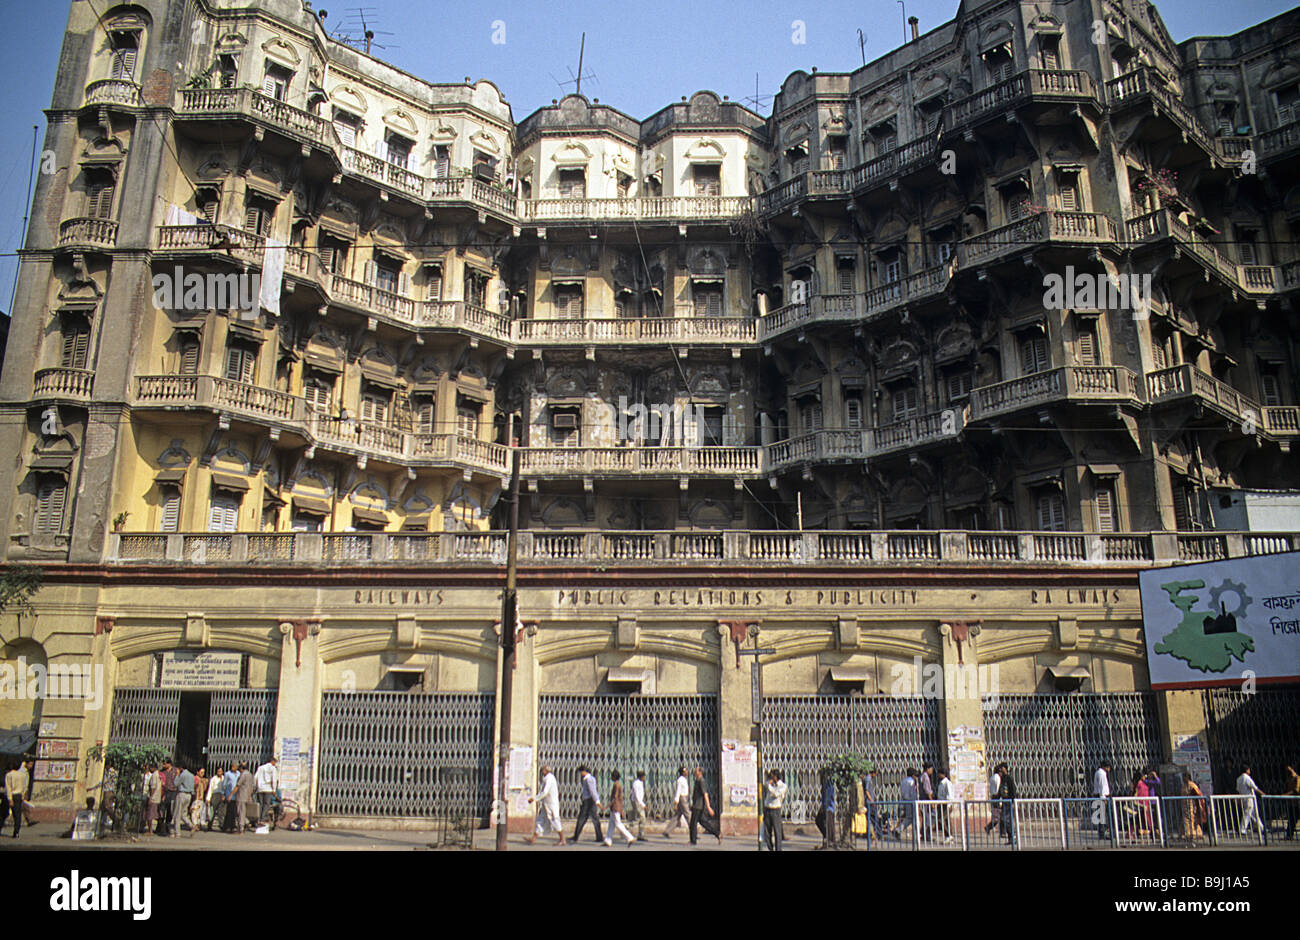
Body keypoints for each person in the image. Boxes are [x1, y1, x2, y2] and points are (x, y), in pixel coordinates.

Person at [526, 764, 565, 845]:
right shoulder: (547, 778)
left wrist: (534, 799)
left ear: (546, 771)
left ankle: (562, 839)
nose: (541, 771)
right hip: (546, 804)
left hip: (551, 804)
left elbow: (545, 792)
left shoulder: (549, 778)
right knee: (540, 819)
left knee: (555, 820)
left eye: (542, 770)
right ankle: (533, 838)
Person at [603, 770, 636, 846]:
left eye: (612, 776)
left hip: (615, 806)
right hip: (615, 807)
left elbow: (615, 797)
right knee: (611, 824)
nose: (611, 777)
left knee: (618, 824)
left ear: (614, 777)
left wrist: (607, 806)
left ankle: (630, 837)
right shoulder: (617, 784)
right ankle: (608, 840)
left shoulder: (616, 785)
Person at [689, 766, 721, 844]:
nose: (695, 771)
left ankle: (693, 841)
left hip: (698, 806)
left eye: (696, 770)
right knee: (703, 822)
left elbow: (705, 794)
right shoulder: (697, 780)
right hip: (696, 805)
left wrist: (708, 807)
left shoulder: (701, 781)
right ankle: (717, 833)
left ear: (700, 772)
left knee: (693, 823)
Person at [572, 765, 604, 843]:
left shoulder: (589, 779)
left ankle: (576, 836)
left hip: (589, 801)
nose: (580, 774)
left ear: (584, 771)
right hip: (589, 801)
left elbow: (593, 791)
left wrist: (597, 802)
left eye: (581, 772)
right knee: (592, 819)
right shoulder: (588, 779)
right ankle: (599, 837)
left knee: (583, 818)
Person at [762, 769, 787, 852]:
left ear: (776, 777)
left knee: (777, 831)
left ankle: (778, 849)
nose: (771, 778)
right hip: (768, 809)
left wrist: (769, 786)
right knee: (767, 831)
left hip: (776, 810)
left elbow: (776, 794)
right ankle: (770, 848)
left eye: (772, 776)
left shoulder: (782, 786)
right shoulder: (770, 785)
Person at [4, 760, 30, 839]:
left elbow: (8, 788)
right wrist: (22, 795)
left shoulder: (9, 775)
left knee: (4, 813)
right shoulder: (22, 775)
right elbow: (24, 786)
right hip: (19, 796)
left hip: (12, 795)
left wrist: (10, 799)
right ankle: (16, 832)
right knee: (17, 815)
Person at [1237, 764, 1264, 837]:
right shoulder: (1247, 778)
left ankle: (1261, 828)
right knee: (1248, 814)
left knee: (1254, 814)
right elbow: (1255, 787)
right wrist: (1263, 794)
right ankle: (1242, 829)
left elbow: (1238, 790)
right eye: (1249, 769)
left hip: (1243, 798)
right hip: (1249, 798)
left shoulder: (1238, 779)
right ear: (1246, 770)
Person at [662, 766, 690, 838]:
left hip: (685, 798)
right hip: (682, 799)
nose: (687, 772)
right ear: (683, 772)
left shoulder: (684, 779)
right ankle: (693, 832)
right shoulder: (680, 780)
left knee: (677, 816)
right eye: (685, 771)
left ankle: (667, 831)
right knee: (688, 815)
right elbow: (678, 791)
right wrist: (676, 802)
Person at [815, 768, 837, 848]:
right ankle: (827, 838)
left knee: (828, 824)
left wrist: (824, 806)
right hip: (826, 806)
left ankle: (830, 841)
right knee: (820, 821)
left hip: (828, 807)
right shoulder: (825, 783)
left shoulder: (828, 783)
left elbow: (828, 796)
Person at [172, 760, 195, 837]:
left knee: (177, 814)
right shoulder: (191, 775)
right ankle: (191, 826)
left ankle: (177, 832)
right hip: (189, 795)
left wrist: (177, 775)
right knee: (184, 814)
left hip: (182, 794)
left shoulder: (183, 775)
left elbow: (176, 783)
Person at [255, 757, 280, 825]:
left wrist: (256, 787)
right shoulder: (272, 768)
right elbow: (274, 780)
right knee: (266, 804)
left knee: (261, 804)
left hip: (260, 789)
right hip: (268, 789)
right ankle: (262, 819)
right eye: (275, 763)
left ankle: (259, 818)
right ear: (272, 761)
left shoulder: (260, 768)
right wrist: (274, 790)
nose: (275, 764)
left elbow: (255, 778)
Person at [996, 763, 1017, 844]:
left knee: (1005, 819)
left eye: (1002, 768)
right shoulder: (1003, 778)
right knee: (1005, 820)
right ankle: (1011, 838)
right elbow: (1001, 790)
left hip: (1008, 802)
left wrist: (1012, 801)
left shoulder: (1009, 778)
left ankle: (1012, 837)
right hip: (1004, 801)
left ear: (1005, 768)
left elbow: (1013, 790)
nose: (1001, 770)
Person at [233, 762, 255, 834]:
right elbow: (251, 787)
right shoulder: (250, 774)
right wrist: (249, 796)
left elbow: (238, 785)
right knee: (244, 812)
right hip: (247, 796)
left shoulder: (243, 775)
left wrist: (231, 795)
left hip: (241, 796)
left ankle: (241, 828)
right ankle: (245, 823)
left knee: (240, 812)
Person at [898, 767, 919, 841]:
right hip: (910, 801)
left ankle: (899, 829)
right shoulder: (911, 782)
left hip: (904, 800)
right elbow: (912, 793)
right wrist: (916, 801)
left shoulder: (904, 781)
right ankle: (898, 830)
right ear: (913, 775)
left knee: (909, 817)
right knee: (911, 818)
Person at [1183, 774, 1206, 841]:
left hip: (1191, 806)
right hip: (1185, 805)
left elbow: (1198, 794)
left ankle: (1190, 834)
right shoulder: (1184, 785)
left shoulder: (1192, 785)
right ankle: (1194, 833)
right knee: (1189, 820)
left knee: (1190, 820)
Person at [1092, 760, 1112, 839]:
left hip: (1100, 796)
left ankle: (1102, 833)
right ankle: (1102, 833)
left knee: (1102, 816)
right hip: (1102, 796)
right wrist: (1103, 798)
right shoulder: (1101, 774)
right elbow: (1102, 786)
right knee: (1103, 816)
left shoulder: (1099, 772)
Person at [219, 763, 240, 832]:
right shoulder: (227, 774)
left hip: (236, 795)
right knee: (229, 811)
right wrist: (223, 794)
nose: (233, 767)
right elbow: (224, 784)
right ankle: (227, 826)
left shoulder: (238, 774)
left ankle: (232, 826)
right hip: (229, 794)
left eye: (234, 766)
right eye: (232, 766)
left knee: (234, 811)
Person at [936, 767, 954, 843]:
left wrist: (949, 805)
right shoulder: (941, 783)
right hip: (941, 804)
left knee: (941, 819)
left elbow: (949, 795)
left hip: (946, 804)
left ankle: (949, 835)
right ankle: (949, 836)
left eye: (939, 773)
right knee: (946, 820)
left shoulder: (947, 783)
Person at [919, 761, 936, 843]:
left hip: (922, 800)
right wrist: (932, 802)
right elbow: (928, 791)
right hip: (926, 800)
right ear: (928, 769)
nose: (932, 770)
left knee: (926, 818)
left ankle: (924, 833)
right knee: (930, 817)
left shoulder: (922, 776)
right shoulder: (925, 777)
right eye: (931, 769)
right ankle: (927, 835)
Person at [144, 763, 163, 835]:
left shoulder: (154, 775)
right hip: (157, 797)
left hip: (154, 797)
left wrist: (151, 798)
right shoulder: (158, 774)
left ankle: (150, 831)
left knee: (150, 815)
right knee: (155, 814)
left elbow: (153, 787)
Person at [630, 770, 649, 841]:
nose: (644, 778)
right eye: (643, 776)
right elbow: (637, 796)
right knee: (641, 817)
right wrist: (643, 805)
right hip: (637, 802)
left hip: (639, 802)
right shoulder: (636, 783)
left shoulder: (640, 783)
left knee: (640, 818)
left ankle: (641, 834)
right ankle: (628, 828)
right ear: (641, 776)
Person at [205, 765, 225, 832]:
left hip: (221, 795)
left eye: (221, 771)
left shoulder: (224, 778)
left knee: (221, 812)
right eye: (218, 771)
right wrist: (208, 798)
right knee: (212, 811)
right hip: (215, 795)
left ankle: (221, 825)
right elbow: (210, 788)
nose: (219, 772)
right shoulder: (213, 779)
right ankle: (209, 825)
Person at [1284, 765, 1300, 840]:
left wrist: (1286, 795)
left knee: (1293, 819)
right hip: (1292, 803)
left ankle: (1289, 834)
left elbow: (1296, 790)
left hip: (1297, 802)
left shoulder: (1297, 778)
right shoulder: (1289, 779)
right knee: (1291, 819)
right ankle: (1289, 835)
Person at [985, 764, 1002, 834]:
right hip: (997, 797)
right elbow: (998, 788)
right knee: (998, 816)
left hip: (993, 797)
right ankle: (988, 827)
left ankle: (1001, 830)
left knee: (996, 815)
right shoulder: (998, 778)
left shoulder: (991, 778)